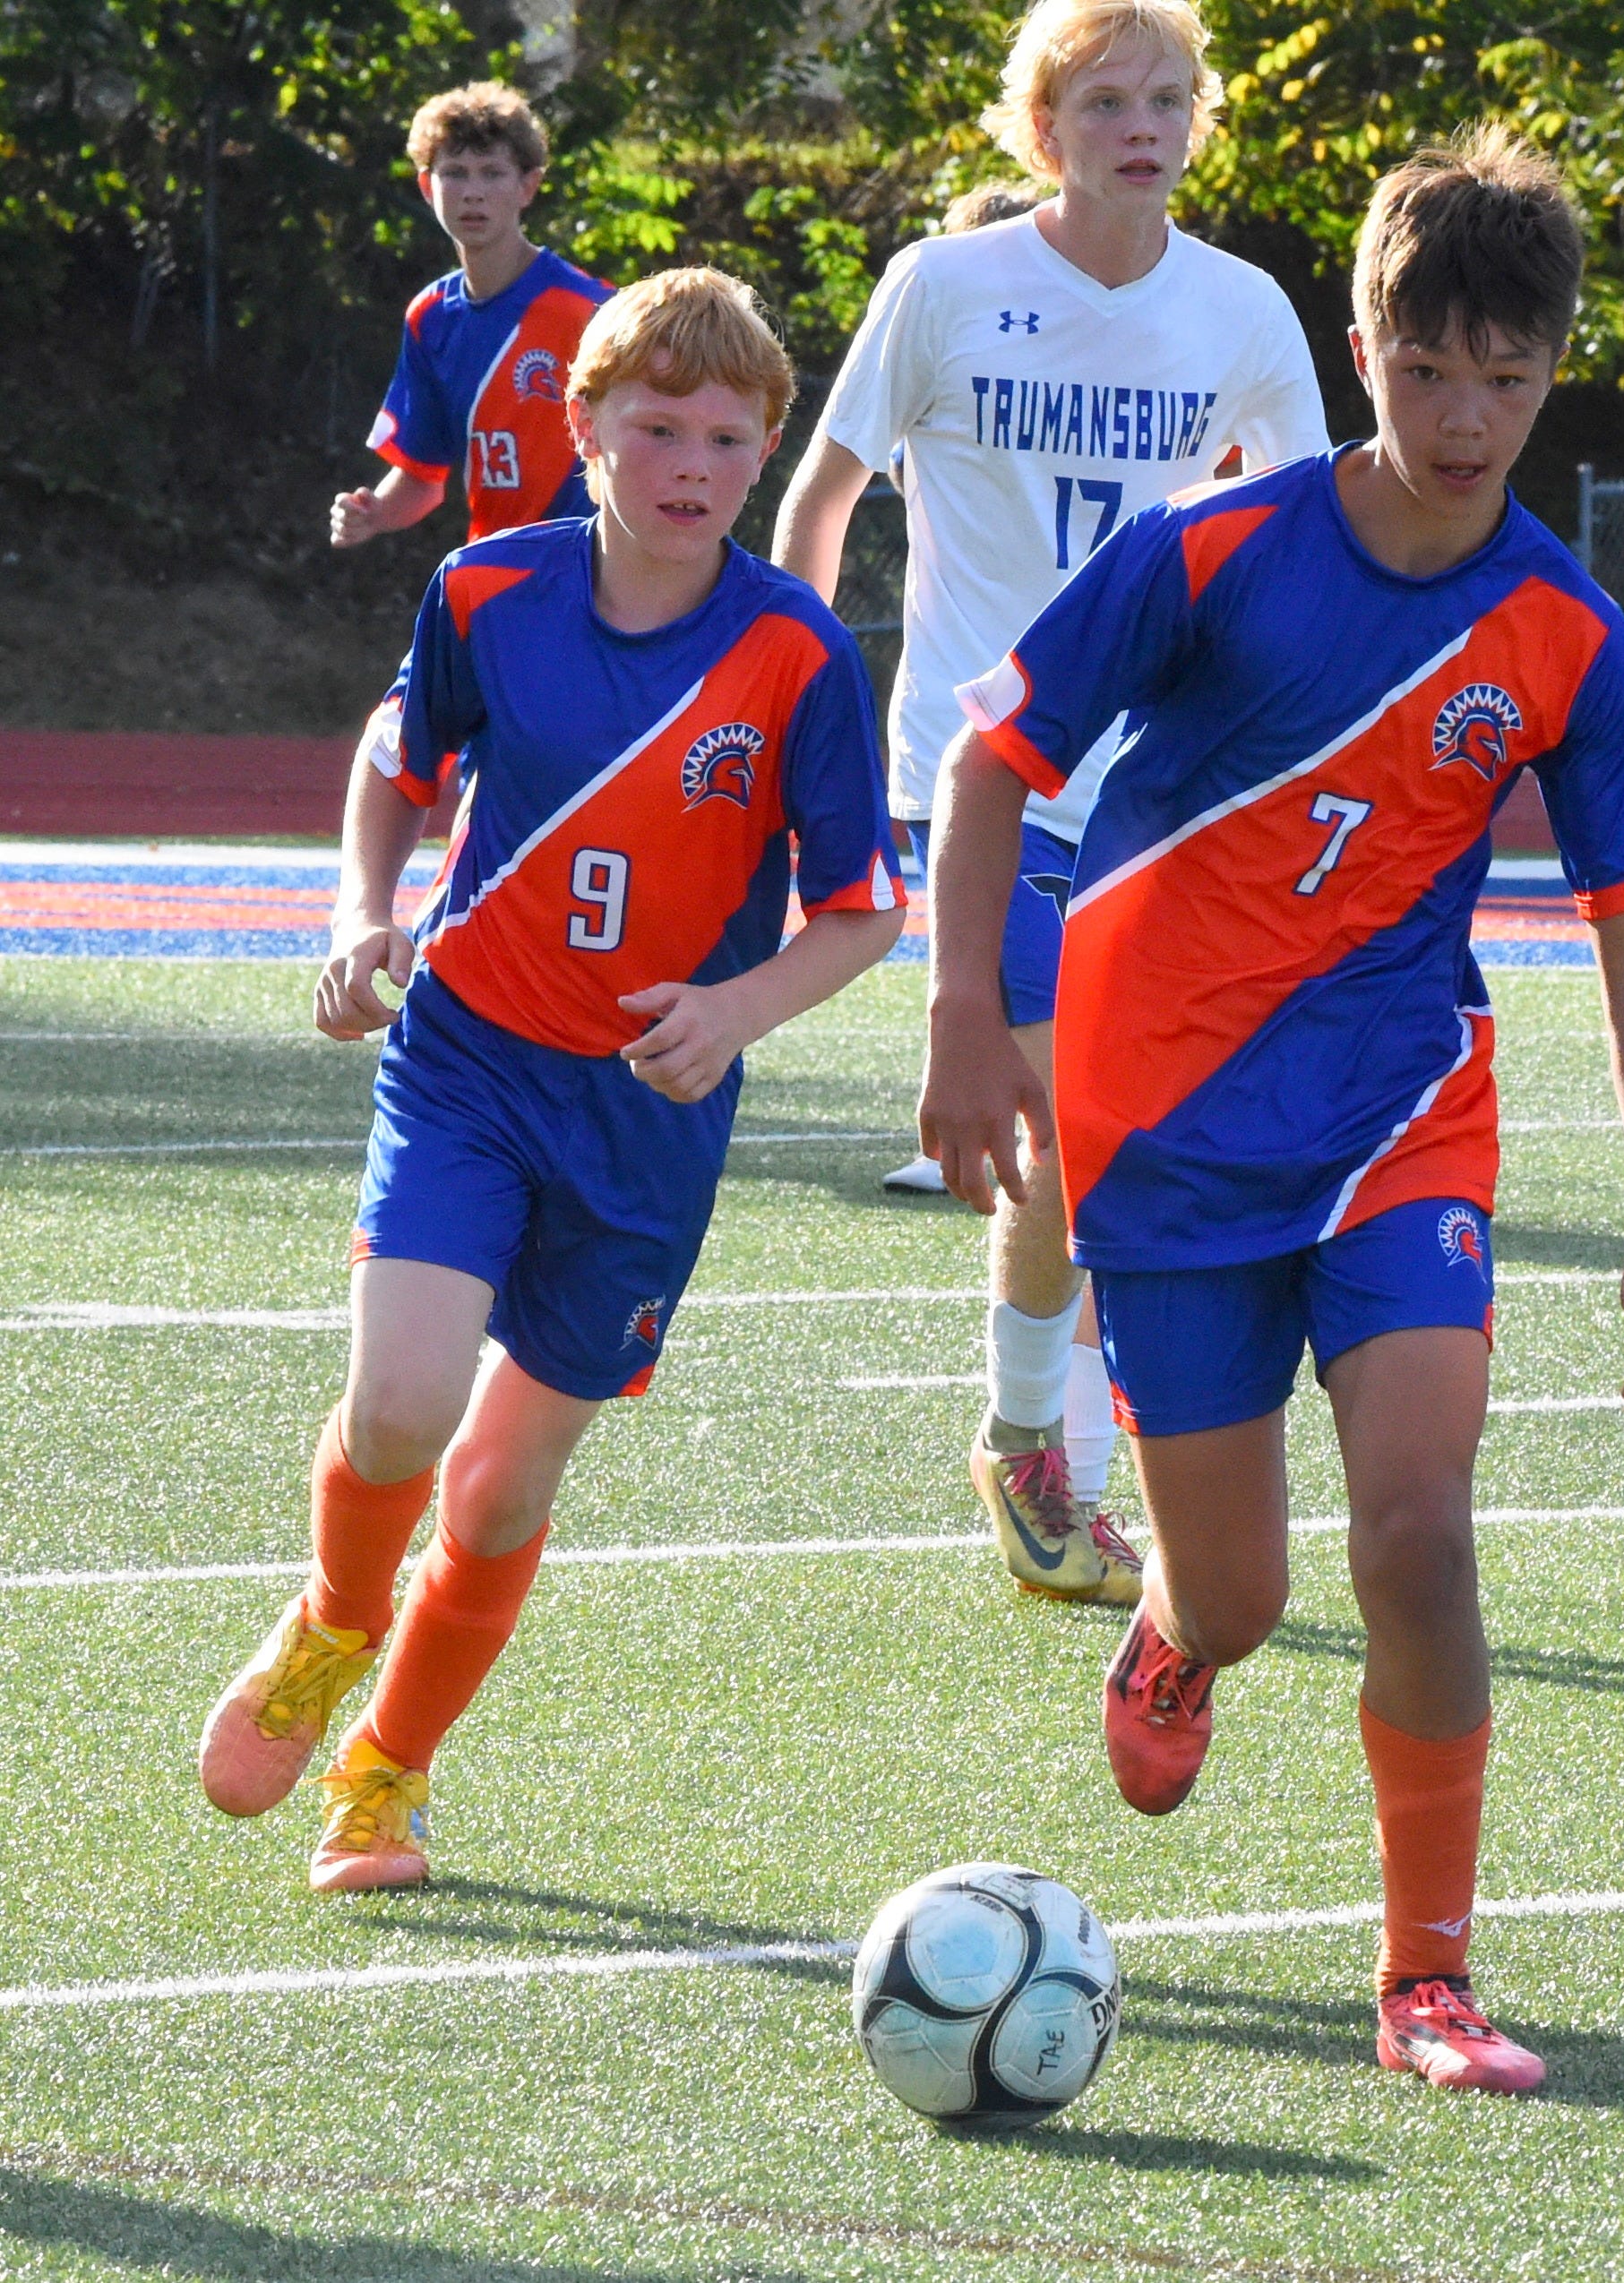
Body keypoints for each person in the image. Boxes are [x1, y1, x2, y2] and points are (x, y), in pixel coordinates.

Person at [916, 124, 1624, 2093]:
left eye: (1507, 377)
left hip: (1395, 1121)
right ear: (1359, 340)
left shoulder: (1566, 640)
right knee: (1250, 1591)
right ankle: (1177, 1634)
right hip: (1162, 1131)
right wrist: (956, 1011)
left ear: (1552, 370)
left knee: (1420, 1533)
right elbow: (988, 756)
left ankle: (1422, 1972)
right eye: (1427, 366)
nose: (1465, 414)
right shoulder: (1210, 551)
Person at [199, 270, 906, 1892]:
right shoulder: (487, 589)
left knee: (505, 1479)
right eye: (655, 425)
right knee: (401, 1403)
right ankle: (332, 1619)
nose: (692, 462)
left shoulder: (798, 655)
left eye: (729, 436)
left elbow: (864, 908)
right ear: (581, 427)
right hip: (466, 1058)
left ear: (765, 453)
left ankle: (387, 1768)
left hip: (646, 1121)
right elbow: (397, 763)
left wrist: (737, 1008)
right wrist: (362, 910)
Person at [773, 0, 1329, 1609]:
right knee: (1075, 1135)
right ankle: (1035, 1448)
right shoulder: (940, 287)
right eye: (1104, 99)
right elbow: (825, 493)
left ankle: (1048, 1440)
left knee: (1135, 1146)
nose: (1140, 124)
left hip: (1163, 792)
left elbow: (1299, 538)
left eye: (1167, 98)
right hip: (981, 783)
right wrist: (788, 710)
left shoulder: (1242, 310)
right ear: (1044, 127)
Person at [333, 82, 611, 551]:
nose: (473, 193)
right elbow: (423, 474)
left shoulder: (592, 310)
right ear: (427, 186)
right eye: (455, 173)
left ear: (528, 186)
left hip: (591, 569)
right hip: (494, 572)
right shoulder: (430, 317)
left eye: (492, 173)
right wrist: (374, 513)